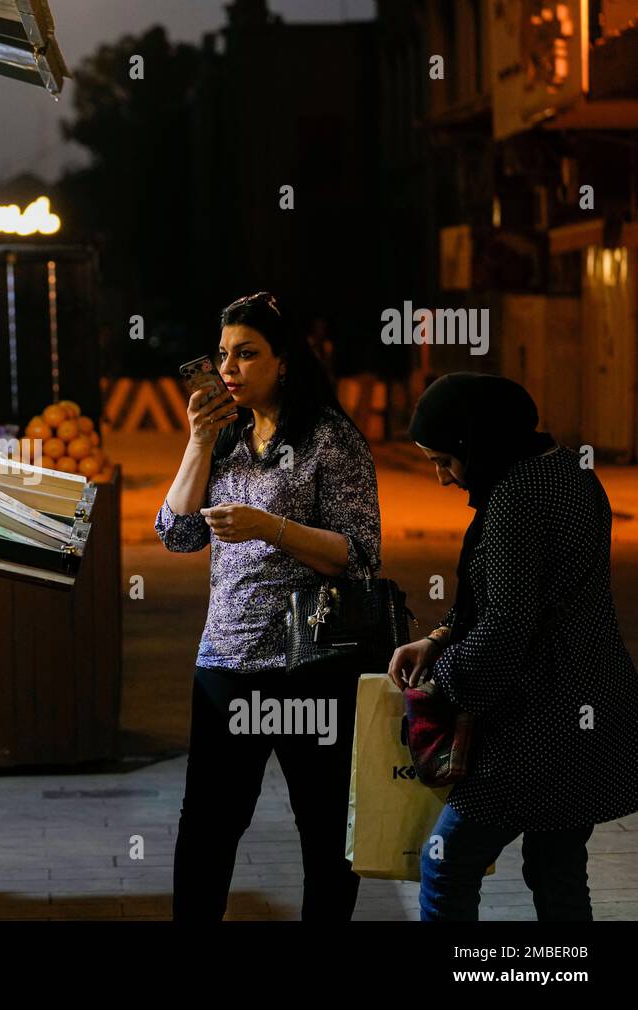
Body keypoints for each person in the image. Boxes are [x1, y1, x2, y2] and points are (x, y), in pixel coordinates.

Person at [156, 292, 381, 920]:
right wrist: (197, 443)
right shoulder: (223, 440)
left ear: (284, 361)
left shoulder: (330, 440)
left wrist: (267, 526)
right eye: (223, 355)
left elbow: (360, 555)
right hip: (227, 663)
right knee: (206, 828)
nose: (229, 369)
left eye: (247, 354)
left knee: (324, 830)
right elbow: (176, 533)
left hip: (312, 665)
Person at [390, 372, 638, 921]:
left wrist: (438, 684)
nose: (442, 478)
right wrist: (438, 637)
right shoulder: (571, 469)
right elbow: (526, 591)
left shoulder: (515, 501)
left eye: (445, 460)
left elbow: (503, 629)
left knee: (446, 865)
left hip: (535, 724)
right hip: (594, 708)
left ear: (477, 443)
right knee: (558, 867)